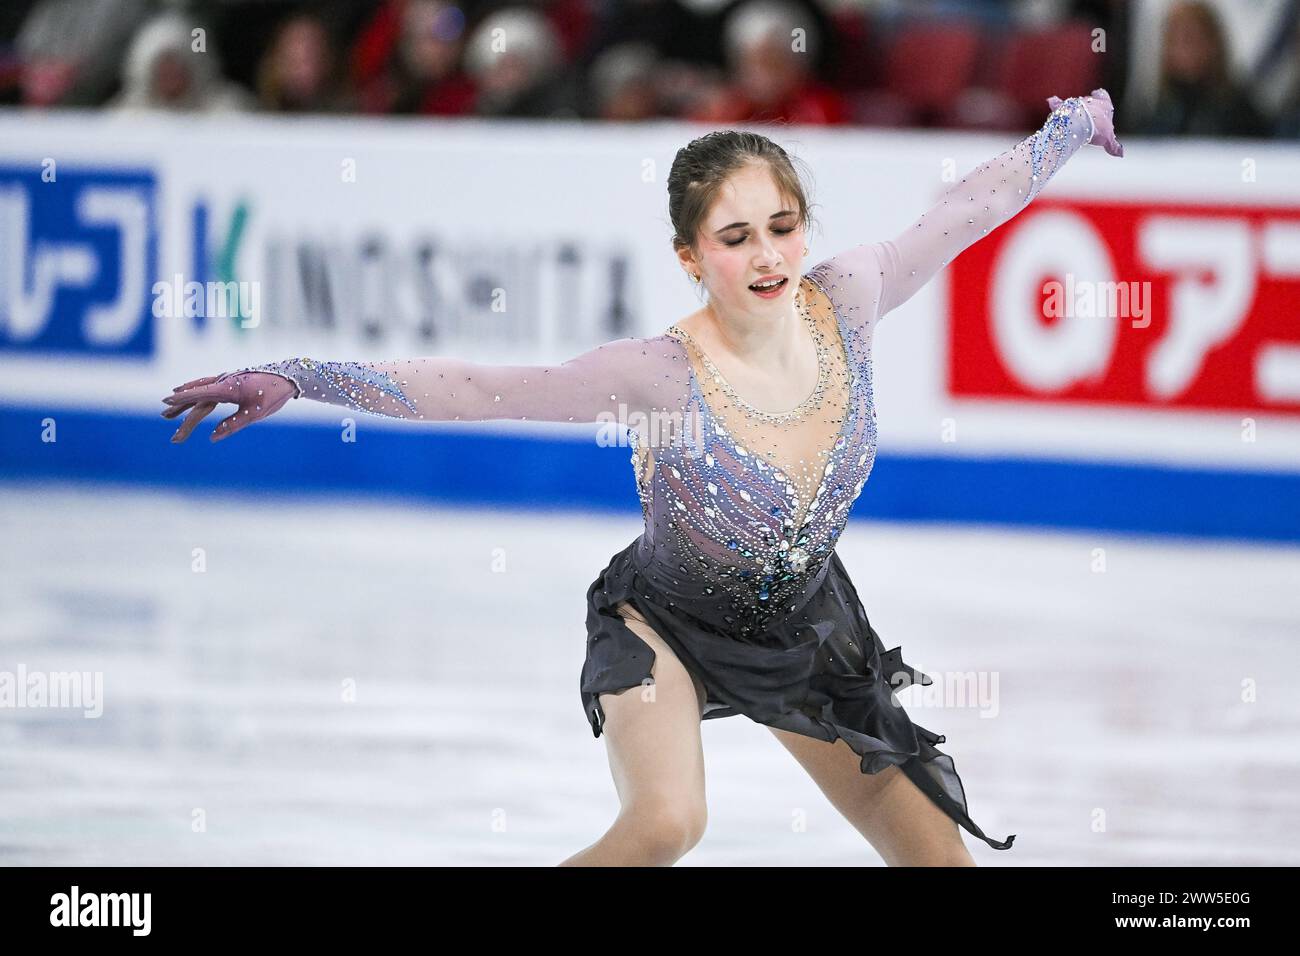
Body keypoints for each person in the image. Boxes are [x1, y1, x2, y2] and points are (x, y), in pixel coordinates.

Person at [162, 88, 1123, 866]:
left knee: (939, 865)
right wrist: (301, 375)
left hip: (804, 629)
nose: (766, 256)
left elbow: (965, 210)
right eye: (734, 237)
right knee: (666, 824)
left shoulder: (851, 299)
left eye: (781, 228)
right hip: (664, 623)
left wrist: (1069, 125)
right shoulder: (661, 374)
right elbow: (479, 390)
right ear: (690, 255)